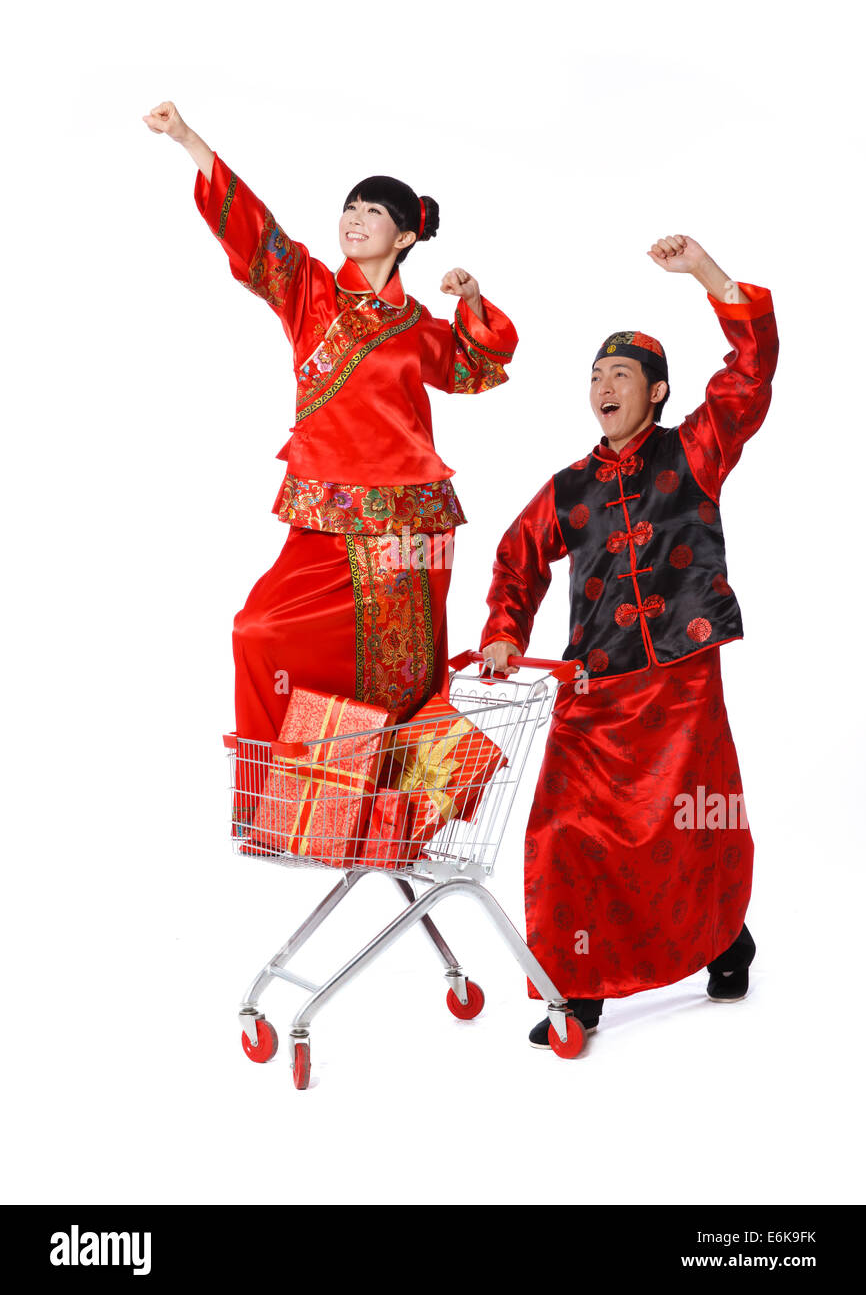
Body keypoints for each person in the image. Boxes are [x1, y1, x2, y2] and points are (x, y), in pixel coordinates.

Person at [144, 101, 517, 811]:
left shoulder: (416, 325)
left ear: (405, 236)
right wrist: (190, 140)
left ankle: (394, 816)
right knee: (258, 633)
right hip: (325, 514)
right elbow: (260, 238)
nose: (355, 217)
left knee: (403, 677)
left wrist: (472, 299)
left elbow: (477, 368)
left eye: (373, 211)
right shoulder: (311, 293)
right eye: (350, 206)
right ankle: (283, 805)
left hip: (409, 522)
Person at [480, 234, 778, 1045]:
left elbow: (751, 374)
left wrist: (709, 276)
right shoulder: (571, 487)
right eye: (594, 376)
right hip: (596, 685)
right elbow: (515, 557)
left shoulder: (695, 452)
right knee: (565, 833)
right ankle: (576, 986)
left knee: (690, 827)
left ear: (657, 391)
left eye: (620, 376)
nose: (603, 387)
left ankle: (724, 937)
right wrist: (504, 634)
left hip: (682, 684)